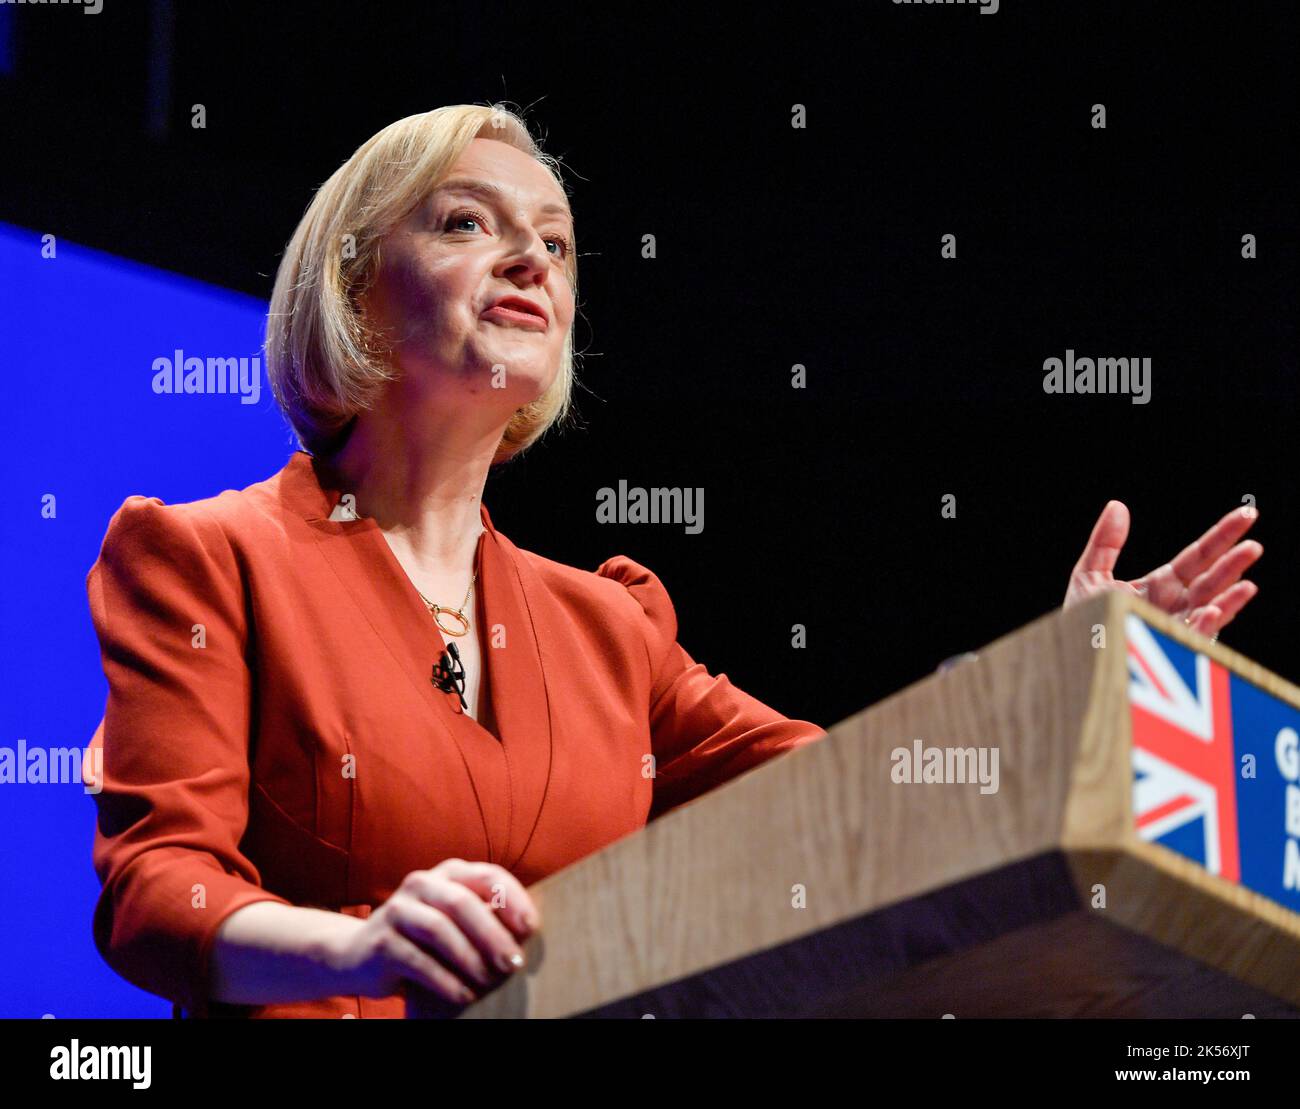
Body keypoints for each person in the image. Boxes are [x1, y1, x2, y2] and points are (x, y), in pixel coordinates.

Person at [84, 103, 1263, 1020]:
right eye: (464, 222)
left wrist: (1064, 681)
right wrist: (356, 942)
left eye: (554, 241)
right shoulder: (206, 560)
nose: (533, 261)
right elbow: (155, 888)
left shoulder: (611, 624)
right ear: (350, 285)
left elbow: (842, 795)